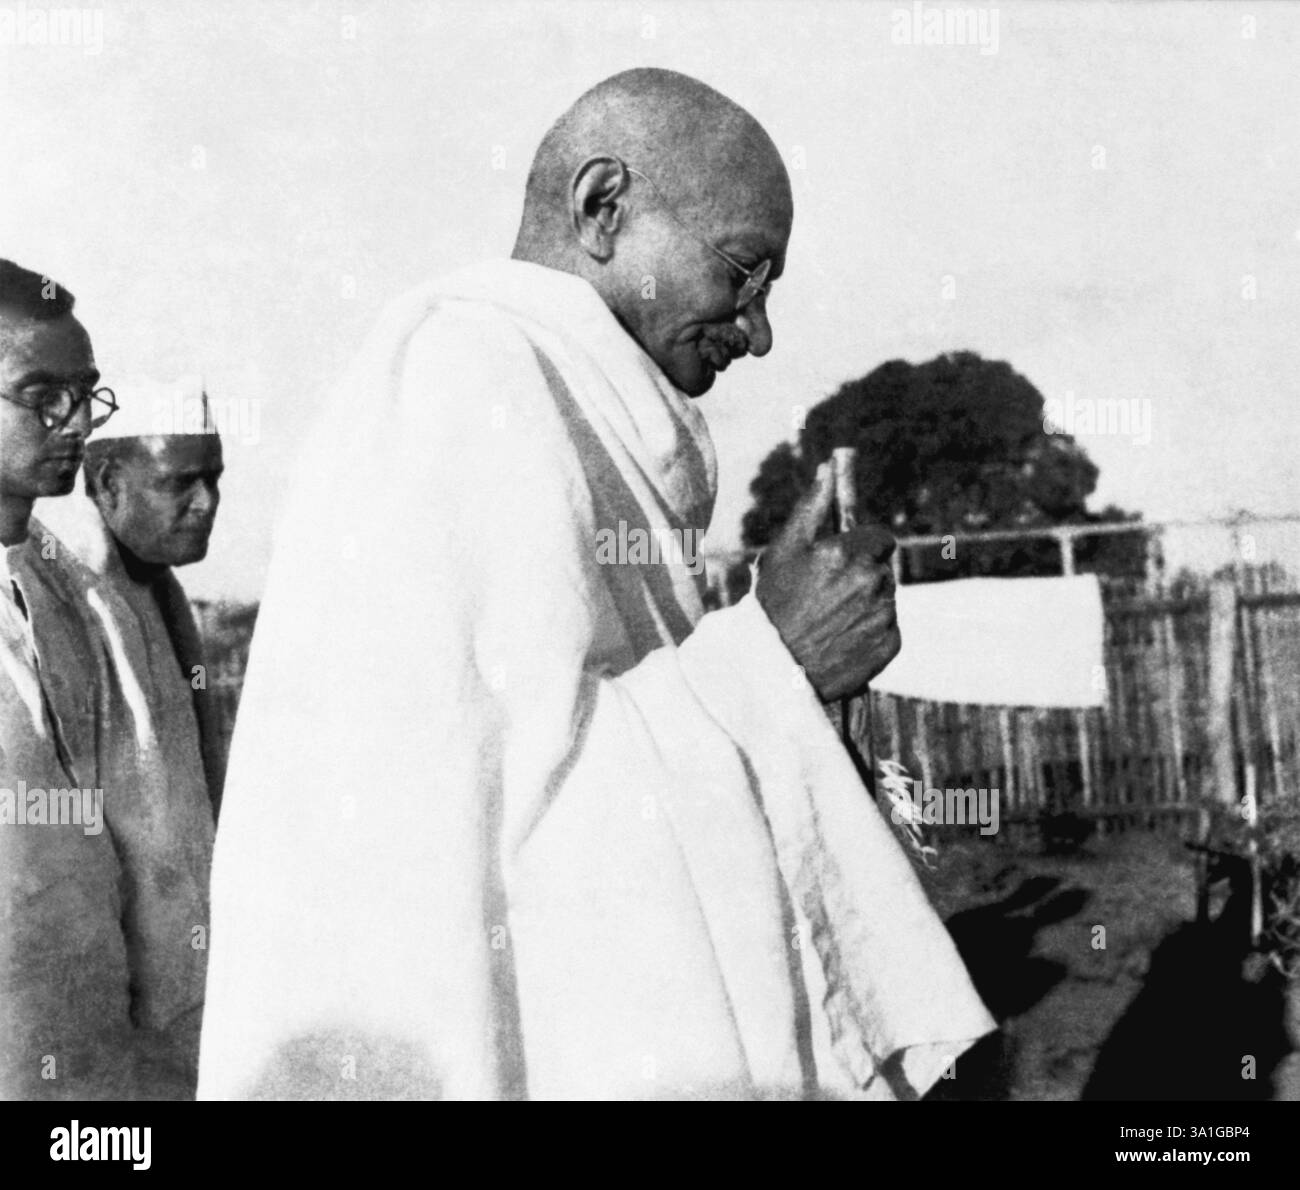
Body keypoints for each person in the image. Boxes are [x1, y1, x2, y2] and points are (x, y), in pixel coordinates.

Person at [198, 68, 994, 1101]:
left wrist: (783, 686)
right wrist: (773, 660)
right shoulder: (458, 385)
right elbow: (467, 846)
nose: (757, 332)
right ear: (602, 205)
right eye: (742, 273)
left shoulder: (562, 397)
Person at [0, 259, 204, 1098]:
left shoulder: (90, 598)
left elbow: (160, 853)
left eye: (85, 392)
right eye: (41, 394)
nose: (77, 420)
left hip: (102, 1073)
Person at [37, 375, 227, 823]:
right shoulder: (50, 603)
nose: (206, 503)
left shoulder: (161, 593)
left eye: (213, 480)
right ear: (108, 485)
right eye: (180, 483)